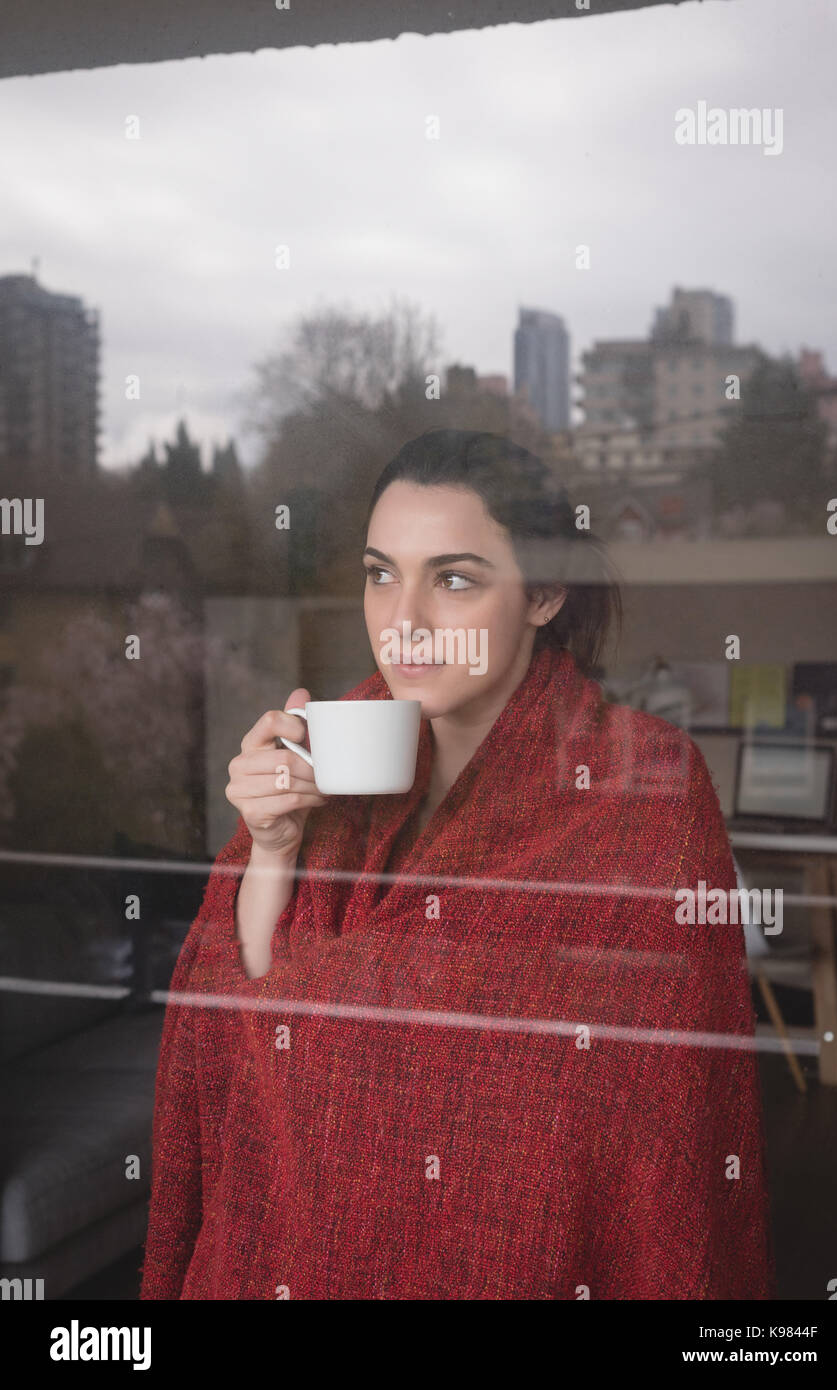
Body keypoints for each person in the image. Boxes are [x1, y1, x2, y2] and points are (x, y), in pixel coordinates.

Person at [140, 428, 775, 1300]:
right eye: (379, 574)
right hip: (288, 1260)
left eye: (452, 579)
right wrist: (274, 850)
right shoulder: (321, 750)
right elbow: (231, 1016)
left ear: (544, 593)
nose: (401, 624)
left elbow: (655, 1121)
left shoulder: (647, 787)